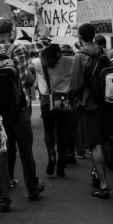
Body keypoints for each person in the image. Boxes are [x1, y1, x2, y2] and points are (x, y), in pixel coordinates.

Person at [0, 19, 45, 210]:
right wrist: (39, 17)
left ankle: (3, 199)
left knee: (1, 153)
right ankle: (32, 187)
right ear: (12, 32)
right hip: (20, 108)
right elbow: (45, 42)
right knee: (26, 150)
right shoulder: (20, 50)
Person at [69, 23, 113, 199]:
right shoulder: (103, 52)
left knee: (94, 143)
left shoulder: (80, 56)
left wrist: (71, 100)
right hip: (106, 102)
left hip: (90, 105)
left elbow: (75, 85)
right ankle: (98, 173)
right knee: (104, 140)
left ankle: (104, 185)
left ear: (80, 37)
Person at [33, 43, 75, 178]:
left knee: (49, 130)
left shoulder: (38, 63)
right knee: (62, 132)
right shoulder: (70, 61)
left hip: (46, 100)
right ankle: (61, 164)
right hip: (62, 100)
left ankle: (51, 155)